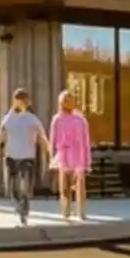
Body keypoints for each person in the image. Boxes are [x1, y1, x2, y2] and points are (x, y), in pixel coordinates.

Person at [0, 88, 50, 226]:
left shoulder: (32, 119)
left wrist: (48, 154)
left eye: (23, 100)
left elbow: (43, 138)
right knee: (11, 188)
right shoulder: (8, 118)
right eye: (18, 99)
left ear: (27, 102)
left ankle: (24, 214)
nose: (20, 102)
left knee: (25, 188)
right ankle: (19, 207)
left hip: (27, 158)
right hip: (11, 158)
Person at [49, 89, 92, 221]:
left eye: (70, 99)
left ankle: (81, 211)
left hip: (79, 155)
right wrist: (52, 157)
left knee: (80, 184)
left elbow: (86, 140)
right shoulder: (57, 119)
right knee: (65, 185)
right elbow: (53, 139)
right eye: (65, 100)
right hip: (64, 155)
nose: (67, 102)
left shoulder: (80, 119)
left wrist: (87, 160)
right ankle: (66, 210)